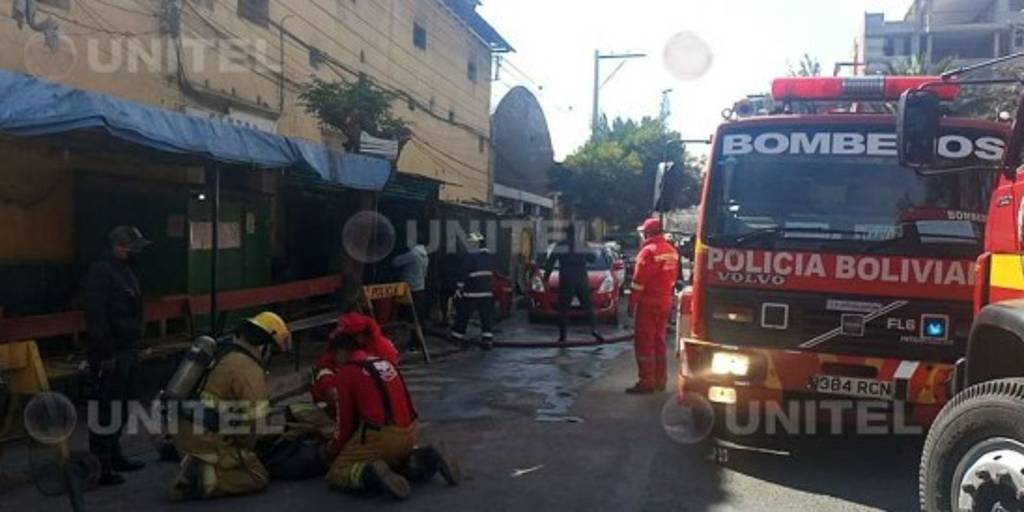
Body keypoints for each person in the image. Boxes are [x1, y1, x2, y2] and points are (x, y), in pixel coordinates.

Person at [167, 312, 292, 501]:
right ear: (263, 346)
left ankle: (192, 459)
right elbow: (255, 427)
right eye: (271, 350)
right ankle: (202, 477)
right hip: (204, 439)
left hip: (183, 427)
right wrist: (248, 451)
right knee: (257, 475)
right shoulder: (249, 368)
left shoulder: (223, 350)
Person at [321, 332, 460, 500]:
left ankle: (369, 473)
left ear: (341, 352)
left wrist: (332, 449)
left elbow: (345, 423)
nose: (336, 362)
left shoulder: (347, 373)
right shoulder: (384, 363)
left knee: (337, 472)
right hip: (411, 431)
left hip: (382, 436)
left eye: (335, 357)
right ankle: (428, 457)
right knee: (395, 462)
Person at [83, 226, 151, 485]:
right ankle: (101, 463)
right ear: (117, 245)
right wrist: (106, 353)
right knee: (106, 407)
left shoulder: (124, 271)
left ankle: (114, 453)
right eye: (129, 247)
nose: (133, 251)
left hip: (127, 349)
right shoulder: (102, 272)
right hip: (111, 353)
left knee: (124, 404)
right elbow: (96, 315)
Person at [627, 218, 679, 395]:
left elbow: (638, 282)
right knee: (659, 341)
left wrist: (632, 303)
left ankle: (646, 380)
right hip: (665, 301)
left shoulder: (647, 252)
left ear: (648, 233)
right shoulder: (672, 251)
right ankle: (660, 379)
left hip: (649, 303)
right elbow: (673, 278)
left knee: (644, 342)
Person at [311, 311, 400, 412]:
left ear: (360, 336)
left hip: (378, 410)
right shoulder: (342, 349)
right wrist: (327, 386)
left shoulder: (382, 350)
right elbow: (325, 365)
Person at [544, 223, 603, 343]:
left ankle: (562, 336)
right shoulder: (581, 244)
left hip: (566, 279)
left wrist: (546, 277)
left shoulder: (560, 245)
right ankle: (594, 329)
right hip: (581, 279)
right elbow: (593, 258)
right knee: (587, 306)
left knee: (563, 309)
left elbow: (550, 262)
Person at [449, 232, 495, 349]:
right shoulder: (489, 257)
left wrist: (458, 290)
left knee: (463, 315)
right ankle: (487, 340)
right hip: (487, 293)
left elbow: (463, 274)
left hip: (471, 293)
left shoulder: (469, 257)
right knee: (486, 317)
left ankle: (457, 337)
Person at [392, 235, 431, 330]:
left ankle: (413, 337)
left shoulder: (412, 254)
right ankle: (418, 335)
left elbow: (395, 262)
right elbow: (425, 273)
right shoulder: (425, 255)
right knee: (417, 314)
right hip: (420, 287)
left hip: (410, 288)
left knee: (409, 314)